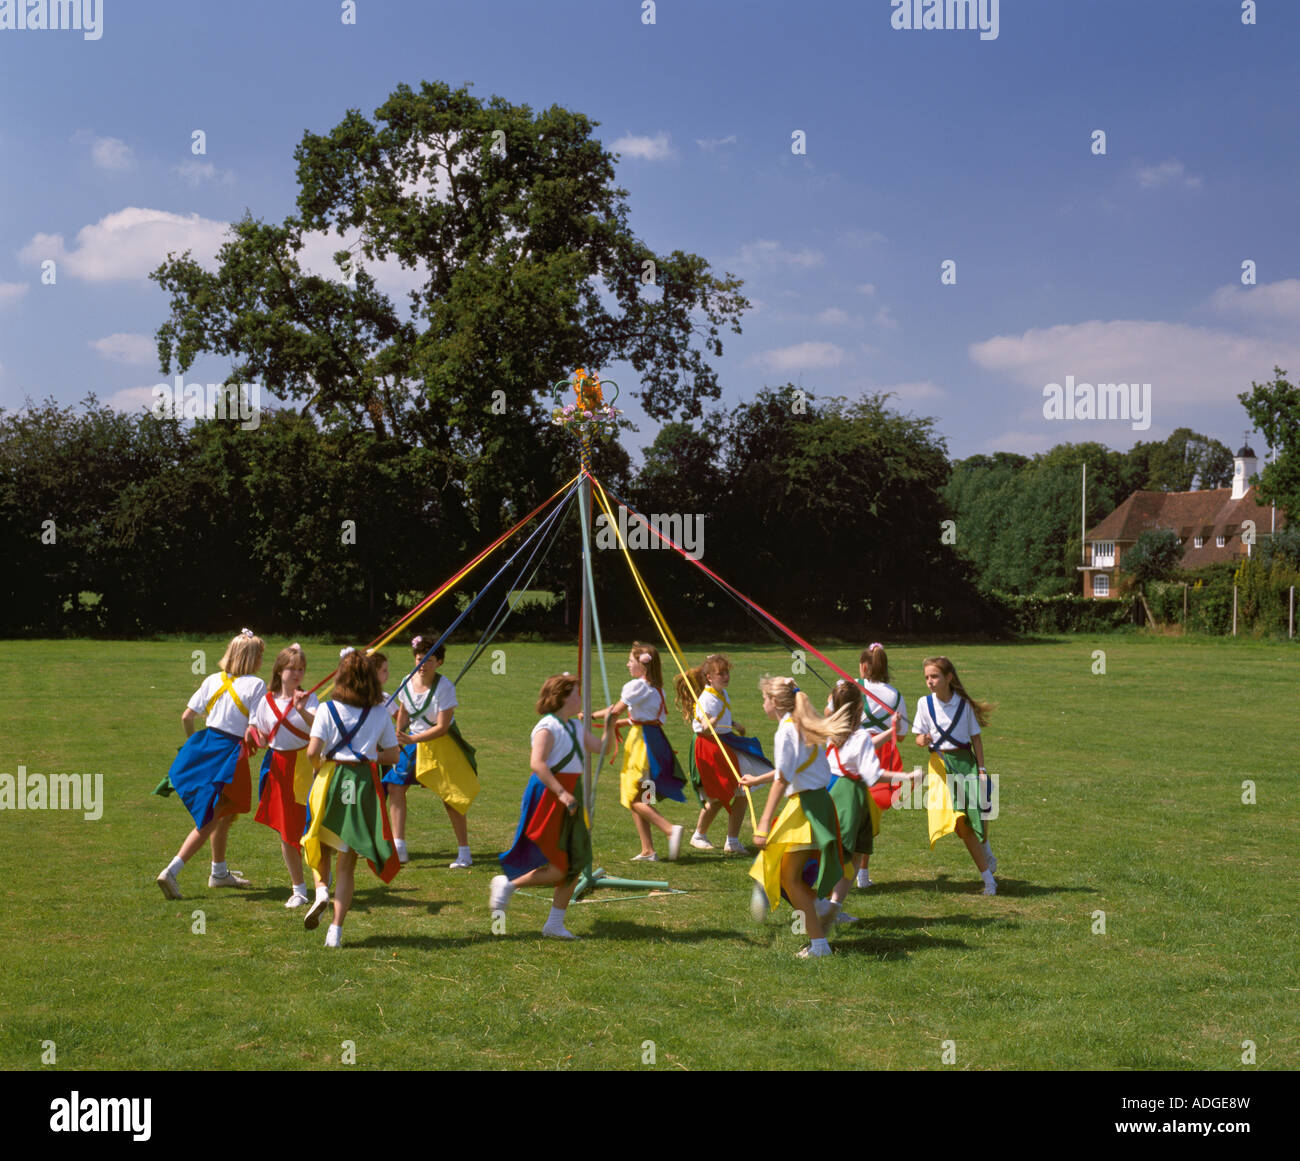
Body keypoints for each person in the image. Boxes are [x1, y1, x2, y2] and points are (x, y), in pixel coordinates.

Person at [740, 677, 852, 959]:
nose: (763, 704)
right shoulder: (800, 724)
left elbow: (783, 778)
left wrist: (764, 823)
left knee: (789, 878)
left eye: (764, 699)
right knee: (789, 876)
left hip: (806, 807)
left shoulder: (787, 731)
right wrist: (756, 780)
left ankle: (819, 942)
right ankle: (822, 910)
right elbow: (789, 769)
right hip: (815, 803)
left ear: (775, 702)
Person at [490, 674, 607, 940]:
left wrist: (609, 725)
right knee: (559, 863)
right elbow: (538, 763)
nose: (582, 698)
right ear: (563, 697)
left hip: (570, 793)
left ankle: (554, 924)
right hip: (550, 794)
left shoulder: (575, 726)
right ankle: (508, 884)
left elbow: (601, 748)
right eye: (577, 693)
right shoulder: (546, 727)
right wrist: (563, 794)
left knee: (575, 861)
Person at [302, 648, 402, 947]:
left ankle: (320, 890)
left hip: (330, 781)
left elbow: (311, 752)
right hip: (362, 784)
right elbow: (393, 755)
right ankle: (336, 930)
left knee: (317, 841)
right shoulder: (380, 712)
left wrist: (321, 768)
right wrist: (369, 754)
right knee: (347, 861)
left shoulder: (325, 709)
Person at [155, 629, 265, 900]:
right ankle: (171, 870)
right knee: (212, 816)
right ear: (252, 658)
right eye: (261, 655)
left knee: (225, 813)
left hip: (205, 747)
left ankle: (219, 872)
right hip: (229, 754)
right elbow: (253, 730)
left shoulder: (212, 679)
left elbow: (186, 717)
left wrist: (194, 746)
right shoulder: (256, 685)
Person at [817, 680, 916, 925]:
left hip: (828, 791)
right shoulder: (858, 735)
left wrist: (891, 733)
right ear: (860, 707)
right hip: (850, 795)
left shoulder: (833, 729)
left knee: (835, 852)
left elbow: (863, 747)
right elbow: (872, 774)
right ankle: (831, 907)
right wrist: (906, 777)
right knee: (851, 855)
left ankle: (827, 905)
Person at [389, 635, 478, 869]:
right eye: (419, 659)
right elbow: (404, 712)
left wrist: (410, 738)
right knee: (395, 786)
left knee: (450, 796)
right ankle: (399, 845)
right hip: (412, 743)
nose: (423, 665)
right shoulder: (407, 681)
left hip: (441, 745)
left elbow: (442, 727)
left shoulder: (445, 686)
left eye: (429, 660)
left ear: (439, 662)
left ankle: (464, 852)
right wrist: (399, 736)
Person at [911, 655, 997, 895]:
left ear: (948, 678)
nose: (930, 681)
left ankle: (986, 850)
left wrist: (981, 769)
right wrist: (923, 739)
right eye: (927, 677)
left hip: (964, 764)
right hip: (939, 766)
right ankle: (989, 879)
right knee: (960, 823)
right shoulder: (923, 704)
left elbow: (976, 739)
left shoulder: (963, 705)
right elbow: (918, 737)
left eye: (935, 676)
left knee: (975, 816)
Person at [592, 643, 685, 862]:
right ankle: (648, 850)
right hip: (655, 740)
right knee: (644, 796)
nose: (627, 664)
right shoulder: (656, 689)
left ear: (642, 665)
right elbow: (644, 718)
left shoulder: (636, 687)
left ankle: (670, 829)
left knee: (632, 796)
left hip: (642, 744)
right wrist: (616, 721)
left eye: (630, 661)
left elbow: (615, 710)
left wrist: (593, 717)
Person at [673, 654, 771, 854]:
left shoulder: (721, 694)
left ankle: (732, 841)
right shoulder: (706, 699)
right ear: (709, 677)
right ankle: (699, 835)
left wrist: (733, 724)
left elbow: (721, 716)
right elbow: (705, 727)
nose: (726, 677)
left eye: (727, 672)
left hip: (726, 742)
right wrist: (711, 722)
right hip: (710, 747)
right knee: (719, 796)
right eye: (721, 673)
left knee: (743, 790)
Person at [249, 643, 318, 908]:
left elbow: (319, 727)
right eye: (292, 669)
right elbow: (262, 734)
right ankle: (299, 889)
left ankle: (322, 880)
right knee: (287, 832)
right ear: (279, 671)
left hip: (307, 765)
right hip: (279, 767)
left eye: (301, 669)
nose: (297, 674)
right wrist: (257, 736)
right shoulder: (266, 701)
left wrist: (300, 709)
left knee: (312, 826)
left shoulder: (310, 698)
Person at [855, 642, 911, 888]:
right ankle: (862, 874)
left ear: (864, 666)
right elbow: (901, 736)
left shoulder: (851, 687)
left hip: (853, 753)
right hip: (881, 755)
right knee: (870, 815)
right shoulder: (896, 696)